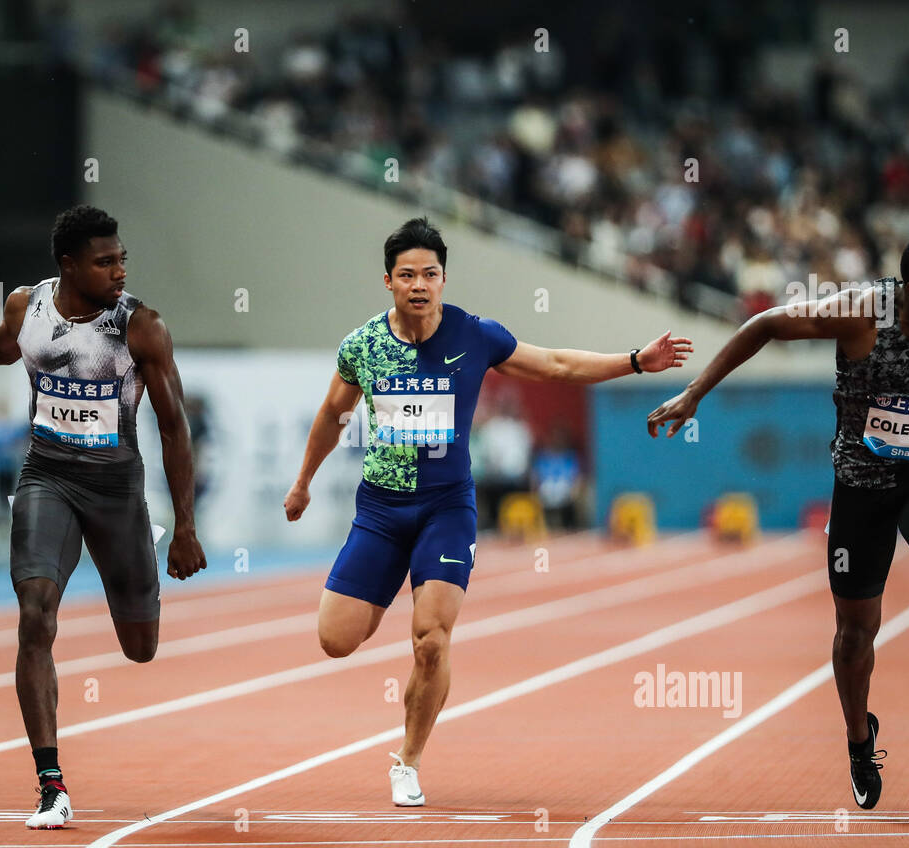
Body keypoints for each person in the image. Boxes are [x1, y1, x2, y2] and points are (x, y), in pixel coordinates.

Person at [284, 217, 691, 806]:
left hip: (446, 508)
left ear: (444, 279)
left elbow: (556, 364)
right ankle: (381, 607)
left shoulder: (476, 335)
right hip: (381, 510)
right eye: (407, 275)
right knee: (336, 639)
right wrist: (303, 482)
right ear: (388, 281)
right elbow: (332, 413)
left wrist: (633, 360)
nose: (419, 285)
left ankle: (408, 760)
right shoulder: (363, 346)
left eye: (429, 274)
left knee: (430, 640)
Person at [0, 205, 206, 828]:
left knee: (141, 647)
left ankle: (140, 557)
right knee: (35, 613)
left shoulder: (140, 327)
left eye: (122, 260)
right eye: (105, 262)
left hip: (116, 489)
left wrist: (185, 526)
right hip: (46, 477)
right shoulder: (26, 307)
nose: (119, 271)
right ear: (68, 265)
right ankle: (51, 783)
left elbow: (173, 427)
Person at [647, 235, 909, 810]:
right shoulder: (860, 313)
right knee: (856, 632)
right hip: (862, 486)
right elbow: (765, 324)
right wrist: (695, 393)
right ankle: (859, 739)